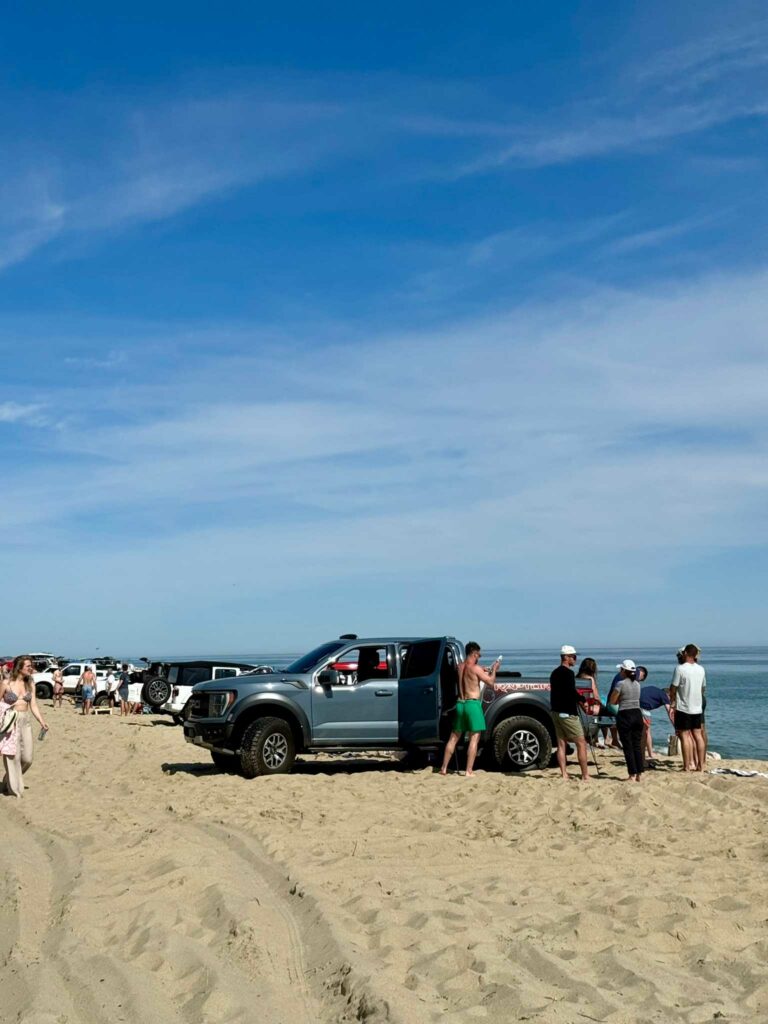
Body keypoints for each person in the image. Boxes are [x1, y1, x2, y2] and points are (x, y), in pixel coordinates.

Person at [440, 642, 501, 777]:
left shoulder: (459, 667)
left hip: (460, 704)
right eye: (479, 654)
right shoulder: (476, 668)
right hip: (472, 704)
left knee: (454, 738)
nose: (479, 656)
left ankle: (443, 768)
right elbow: (490, 682)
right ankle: (468, 771)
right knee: (474, 738)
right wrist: (495, 669)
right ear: (474, 653)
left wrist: (482, 669)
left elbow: (469, 673)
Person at [0, 654, 49, 797]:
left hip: (25, 721)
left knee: (28, 758)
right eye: (28, 666)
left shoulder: (30, 683)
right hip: (10, 721)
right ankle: (15, 790)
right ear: (19, 667)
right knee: (12, 756)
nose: (31, 668)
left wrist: (42, 721)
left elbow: (33, 704)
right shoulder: (6, 683)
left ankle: (8, 780)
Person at [550, 645, 590, 782]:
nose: (575, 659)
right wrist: (582, 700)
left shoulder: (554, 673)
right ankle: (585, 775)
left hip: (555, 711)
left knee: (562, 743)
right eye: (573, 656)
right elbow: (570, 692)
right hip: (567, 712)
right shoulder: (568, 673)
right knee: (581, 743)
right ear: (566, 658)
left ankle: (564, 774)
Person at [670, 643, 706, 771]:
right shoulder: (701, 669)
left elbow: (673, 687)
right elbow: (703, 688)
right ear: (696, 655)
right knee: (698, 735)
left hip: (684, 707)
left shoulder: (680, 669)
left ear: (685, 653)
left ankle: (687, 766)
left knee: (685, 735)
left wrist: (672, 701)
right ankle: (701, 765)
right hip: (697, 706)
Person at [608, 659, 644, 782]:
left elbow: (612, 701)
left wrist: (619, 700)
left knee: (628, 746)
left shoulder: (620, 684)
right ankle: (640, 773)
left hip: (625, 714)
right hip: (637, 713)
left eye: (621, 669)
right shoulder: (638, 684)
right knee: (637, 745)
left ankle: (632, 774)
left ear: (624, 671)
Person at [639, 673, 674, 760]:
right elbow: (670, 712)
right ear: (668, 694)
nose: (671, 700)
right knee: (646, 732)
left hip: (633, 705)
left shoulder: (656, 691)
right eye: (671, 698)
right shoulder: (664, 695)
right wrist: (676, 727)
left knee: (645, 731)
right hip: (642, 708)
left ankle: (649, 753)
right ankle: (647, 755)